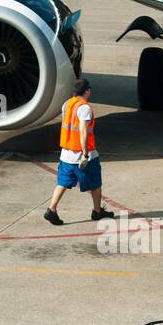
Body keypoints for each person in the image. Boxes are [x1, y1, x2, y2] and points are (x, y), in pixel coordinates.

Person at [43, 78, 113, 225]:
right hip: (82, 154)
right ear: (87, 90)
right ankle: (97, 211)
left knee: (62, 183)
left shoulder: (67, 104)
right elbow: (83, 131)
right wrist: (85, 154)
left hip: (65, 154)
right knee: (95, 184)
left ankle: (51, 209)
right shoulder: (85, 108)